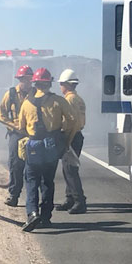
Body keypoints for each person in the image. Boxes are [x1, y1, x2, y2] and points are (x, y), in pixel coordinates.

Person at [16, 67, 74, 231]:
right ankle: (46, 216)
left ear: (35, 83)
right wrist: (66, 138)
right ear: (49, 83)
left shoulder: (27, 103)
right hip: (51, 146)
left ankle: (32, 213)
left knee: (32, 181)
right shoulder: (58, 101)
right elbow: (72, 121)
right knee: (48, 181)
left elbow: (21, 127)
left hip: (33, 146)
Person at [0, 64, 34, 207]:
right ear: (19, 79)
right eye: (24, 79)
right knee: (15, 165)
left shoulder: (37, 94)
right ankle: (14, 195)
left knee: (33, 166)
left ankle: (33, 198)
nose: (26, 81)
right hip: (15, 134)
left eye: (29, 79)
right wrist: (11, 125)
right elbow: (2, 113)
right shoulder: (10, 94)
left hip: (32, 135)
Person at [55, 68, 88, 214]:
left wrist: (64, 138)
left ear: (66, 85)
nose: (60, 87)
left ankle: (79, 201)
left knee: (70, 170)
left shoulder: (69, 100)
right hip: (77, 135)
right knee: (67, 169)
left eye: (61, 84)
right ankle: (70, 199)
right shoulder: (78, 99)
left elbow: (69, 121)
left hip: (71, 136)